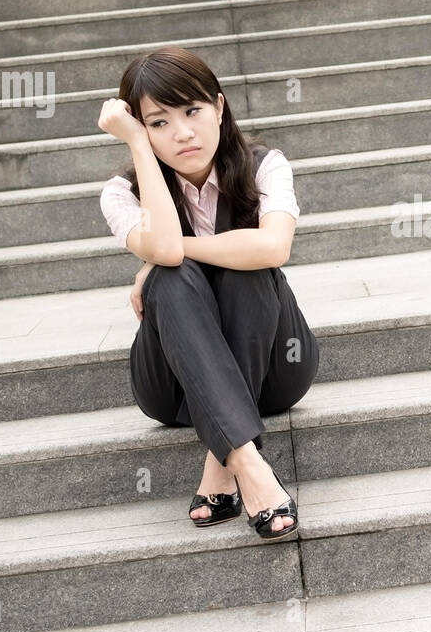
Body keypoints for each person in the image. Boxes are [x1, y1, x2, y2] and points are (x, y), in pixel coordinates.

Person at [96, 46, 319, 539]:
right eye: (157, 123)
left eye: (193, 111)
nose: (181, 133)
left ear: (219, 107)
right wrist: (136, 146)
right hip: (172, 390)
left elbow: (273, 246)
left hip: (275, 373)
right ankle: (250, 463)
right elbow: (167, 255)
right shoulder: (121, 193)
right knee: (169, 276)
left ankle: (223, 466)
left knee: (245, 270)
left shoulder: (264, 166)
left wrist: (169, 253)